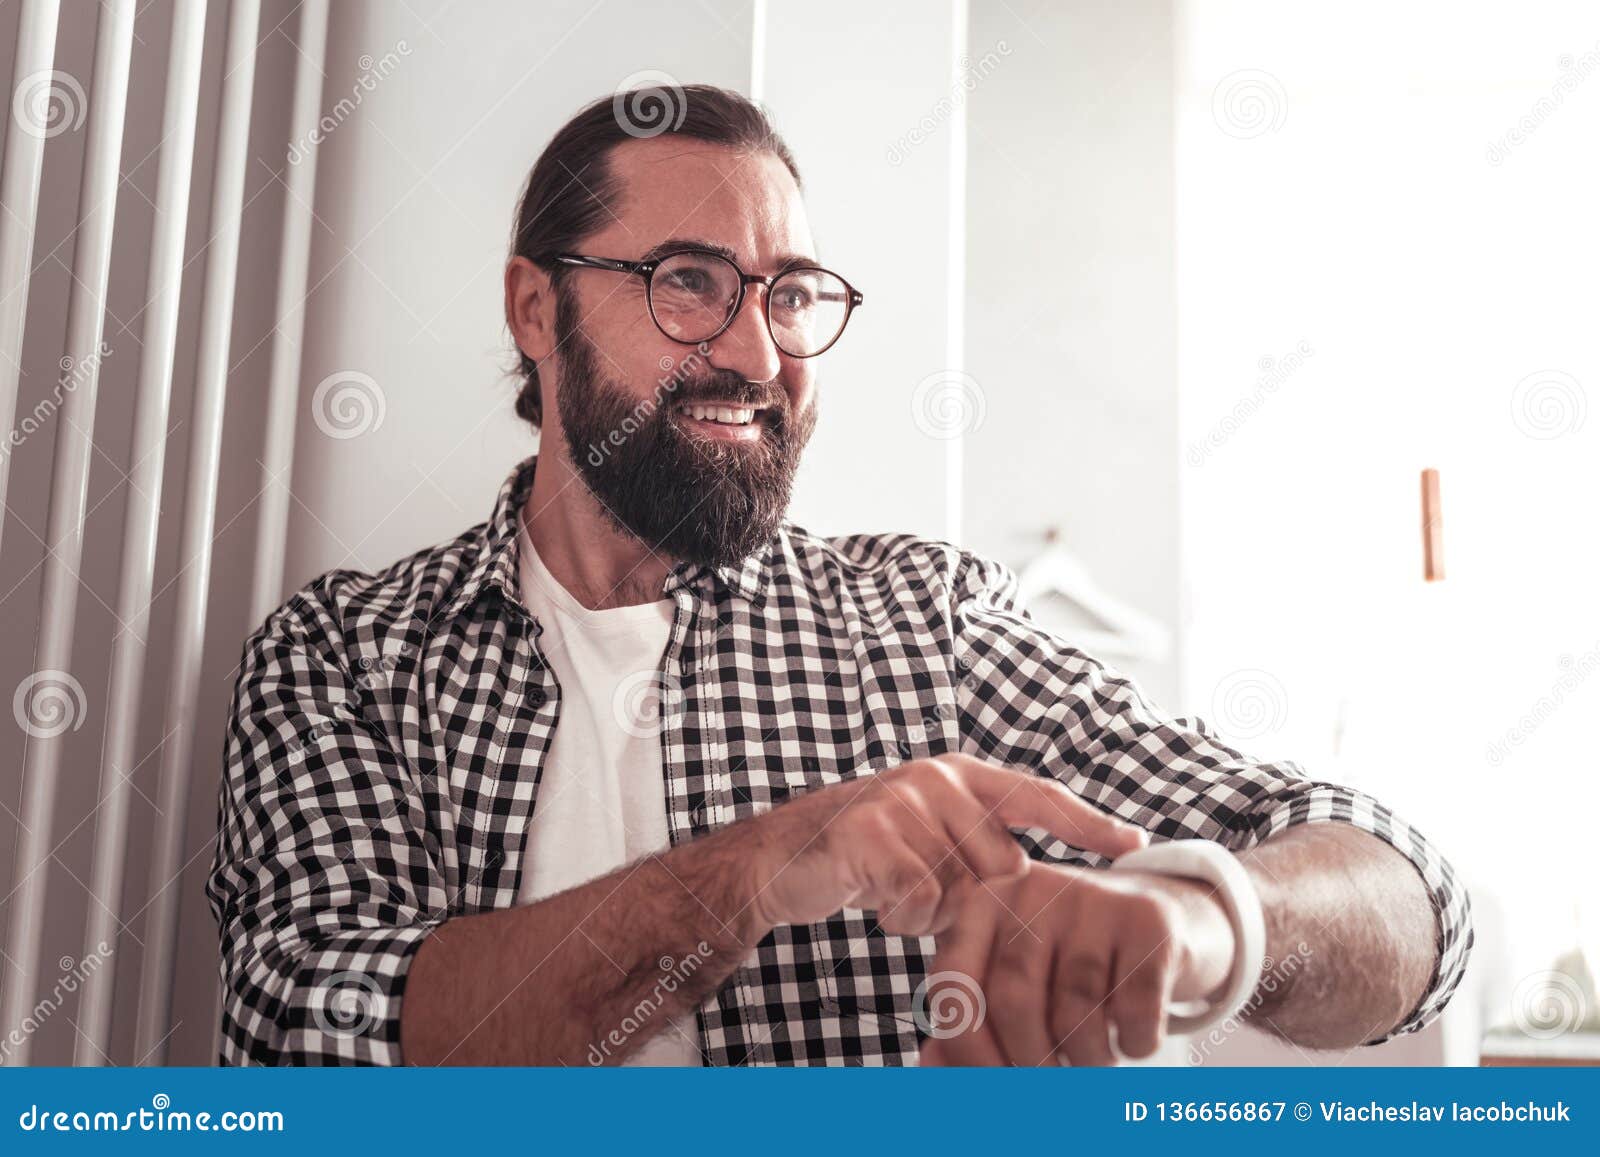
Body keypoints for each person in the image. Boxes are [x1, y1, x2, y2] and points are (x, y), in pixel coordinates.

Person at [207, 84, 1470, 1066]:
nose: (758, 352)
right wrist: (751, 869)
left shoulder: (921, 622)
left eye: (792, 294)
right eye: (687, 282)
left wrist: (1210, 921)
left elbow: (1412, 900)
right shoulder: (345, 656)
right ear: (537, 310)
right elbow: (310, 1042)